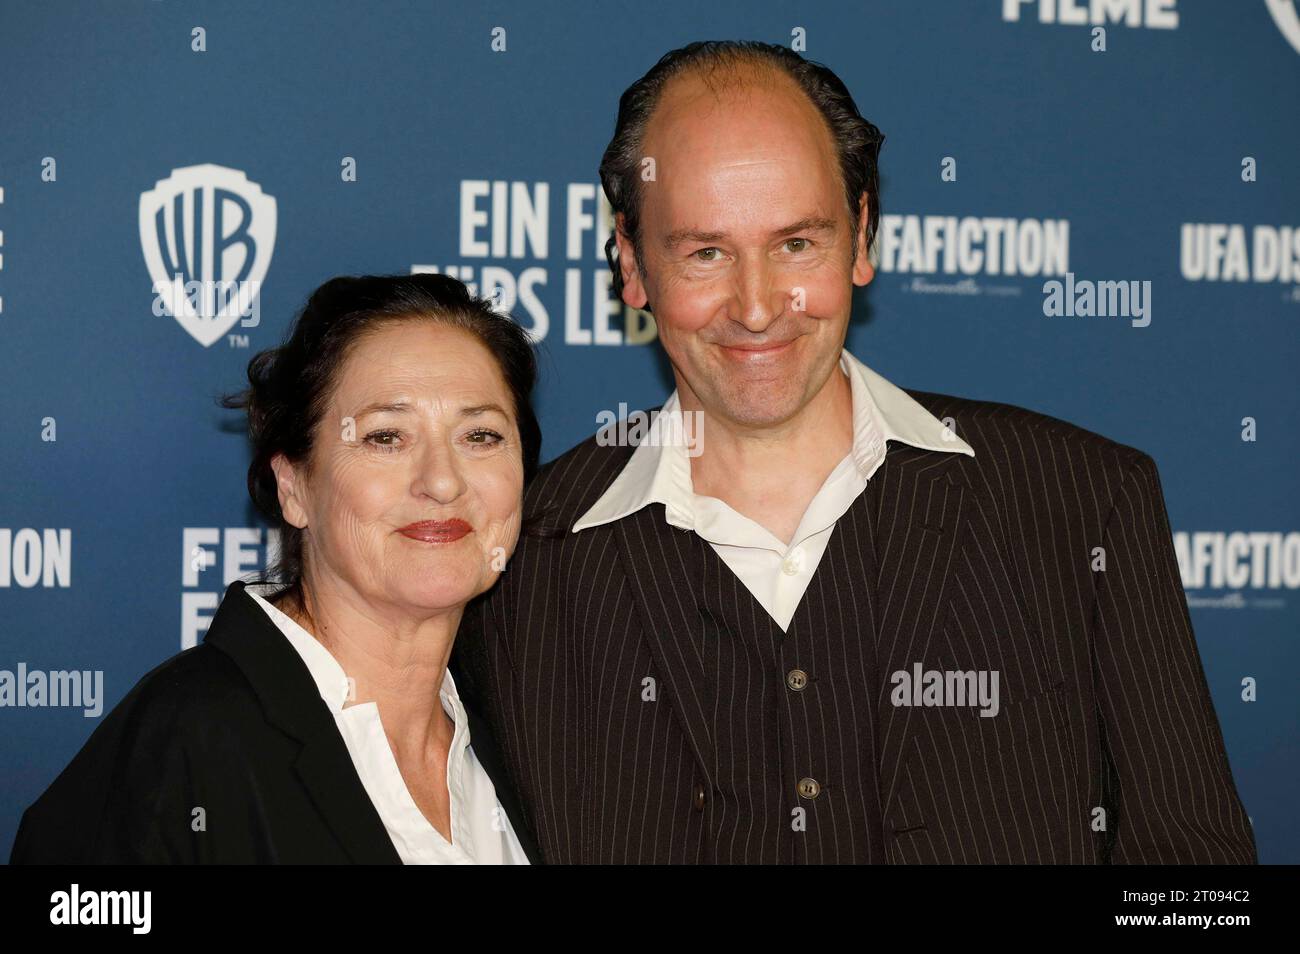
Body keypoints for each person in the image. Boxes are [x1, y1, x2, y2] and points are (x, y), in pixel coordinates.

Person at [453, 40, 1258, 864]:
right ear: (632, 263)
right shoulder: (518, 565)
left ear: (862, 236)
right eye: (705, 252)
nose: (758, 307)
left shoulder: (1080, 500)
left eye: (797, 244)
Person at [11, 274, 543, 864]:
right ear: (293, 485)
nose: (442, 480)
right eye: (386, 437)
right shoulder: (186, 742)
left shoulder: (530, 738)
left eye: (481, 435)